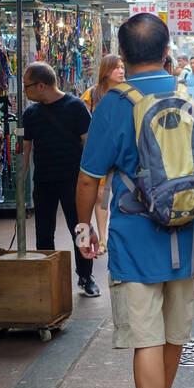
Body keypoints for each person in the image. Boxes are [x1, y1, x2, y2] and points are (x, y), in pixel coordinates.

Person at [76, 14, 194, 388]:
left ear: (122, 56)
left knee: (146, 340)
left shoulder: (113, 105)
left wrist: (85, 227)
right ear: (167, 52)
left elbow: (89, 178)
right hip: (185, 235)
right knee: (174, 336)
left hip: (133, 237)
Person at [21, 62, 98, 296]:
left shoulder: (75, 107)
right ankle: (48, 277)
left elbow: (89, 144)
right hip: (44, 181)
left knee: (81, 227)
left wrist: (92, 181)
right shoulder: (30, 114)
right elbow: (25, 151)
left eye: (27, 86)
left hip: (74, 182)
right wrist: (20, 182)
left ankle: (86, 276)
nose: (24, 91)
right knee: (44, 232)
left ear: (41, 85)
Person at [80, 54, 125, 254]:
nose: (121, 71)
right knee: (97, 194)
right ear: (106, 70)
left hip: (117, 152)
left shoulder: (126, 94)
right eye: (116, 67)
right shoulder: (91, 95)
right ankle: (99, 235)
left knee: (104, 195)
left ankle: (104, 236)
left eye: (123, 67)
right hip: (96, 152)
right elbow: (81, 120)